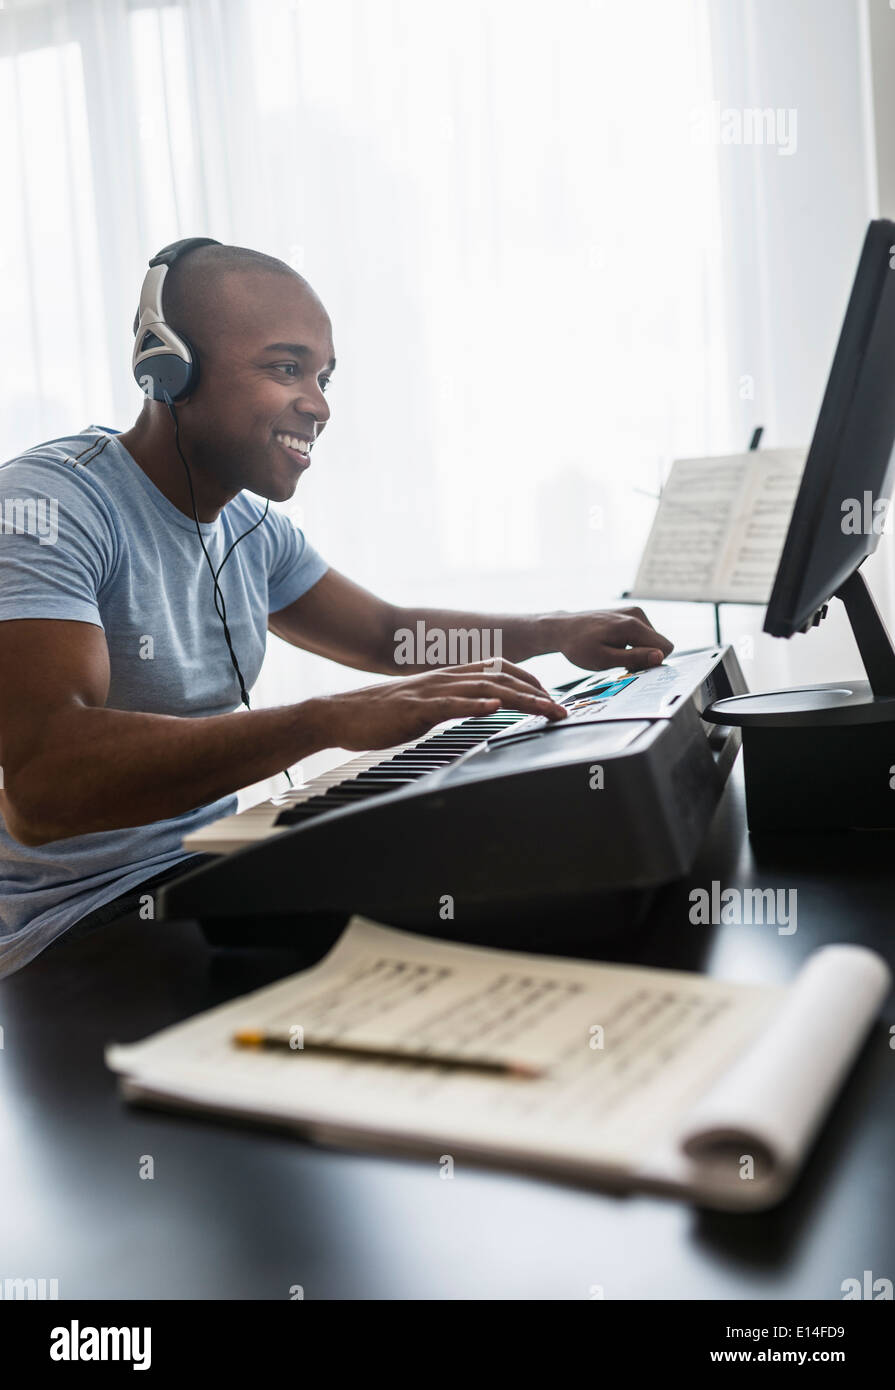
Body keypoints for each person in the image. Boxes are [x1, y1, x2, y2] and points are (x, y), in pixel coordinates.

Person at [0, 241, 673, 976]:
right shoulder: (48, 505)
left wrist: (552, 632)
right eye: (285, 368)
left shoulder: (248, 528)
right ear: (168, 368)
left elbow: (388, 637)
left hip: (198, 877)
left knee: (543, 900)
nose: (318, 405)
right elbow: (43, 786)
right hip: (79, 927)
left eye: (322, 377)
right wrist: (322, 721)